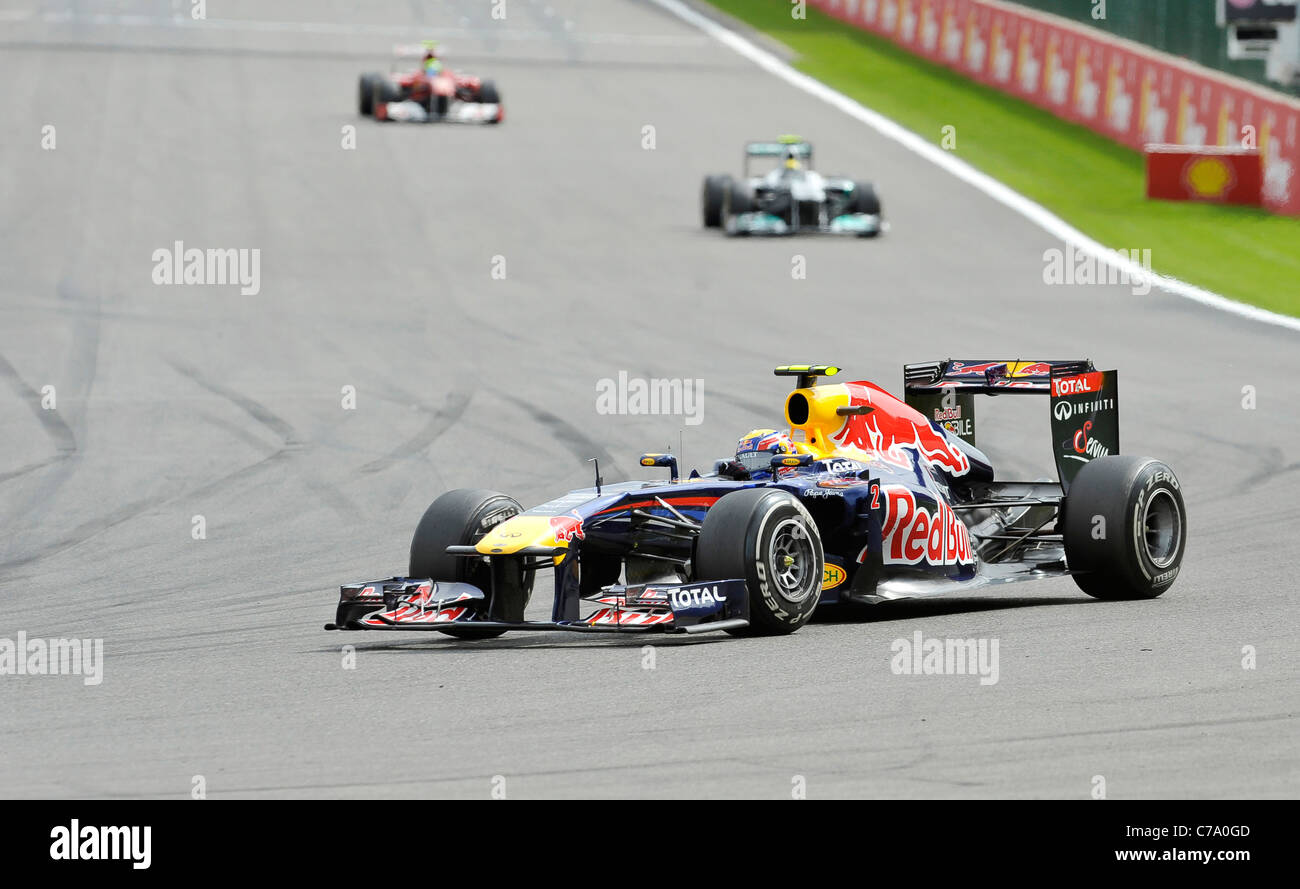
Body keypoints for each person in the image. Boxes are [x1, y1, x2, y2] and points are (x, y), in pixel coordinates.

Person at [719, 428, 801, 481]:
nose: (752, 470)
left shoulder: (800, 483)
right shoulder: (745, 478)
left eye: (760, 461)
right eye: (746, 463)